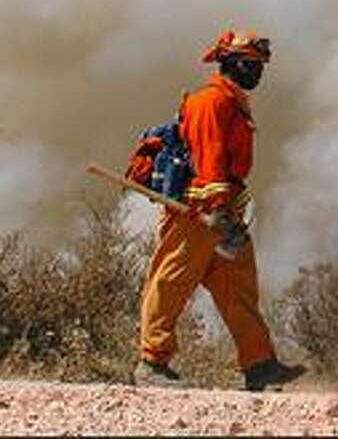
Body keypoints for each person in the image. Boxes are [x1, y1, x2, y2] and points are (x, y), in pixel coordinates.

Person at [131, 30, 305, 392]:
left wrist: (227, 212)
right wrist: (217, 210)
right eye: (252, 65)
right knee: (171, 282)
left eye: (261, 66)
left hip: (222, 210)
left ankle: (259, 365)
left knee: (238, 288)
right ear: (232, 63)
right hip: (198, 212)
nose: (258, 73)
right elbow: (209, 158)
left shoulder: (232, 102)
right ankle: (151, 363)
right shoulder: (211, 102)